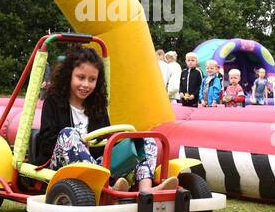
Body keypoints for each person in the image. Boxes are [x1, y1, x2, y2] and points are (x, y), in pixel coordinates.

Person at [34, 45, 175, 194]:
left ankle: (145, 190)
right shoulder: (54, 102)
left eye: (92, 79)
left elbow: (106, 143)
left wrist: (121, 145)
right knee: (68, 134)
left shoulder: (97, 106)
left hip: (98, 167)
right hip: (61, 166)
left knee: (145, 139)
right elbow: (47, 143)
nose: (86, 85)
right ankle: (105, 190)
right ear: (69, 75)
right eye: (81, 77)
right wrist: (79, 142)